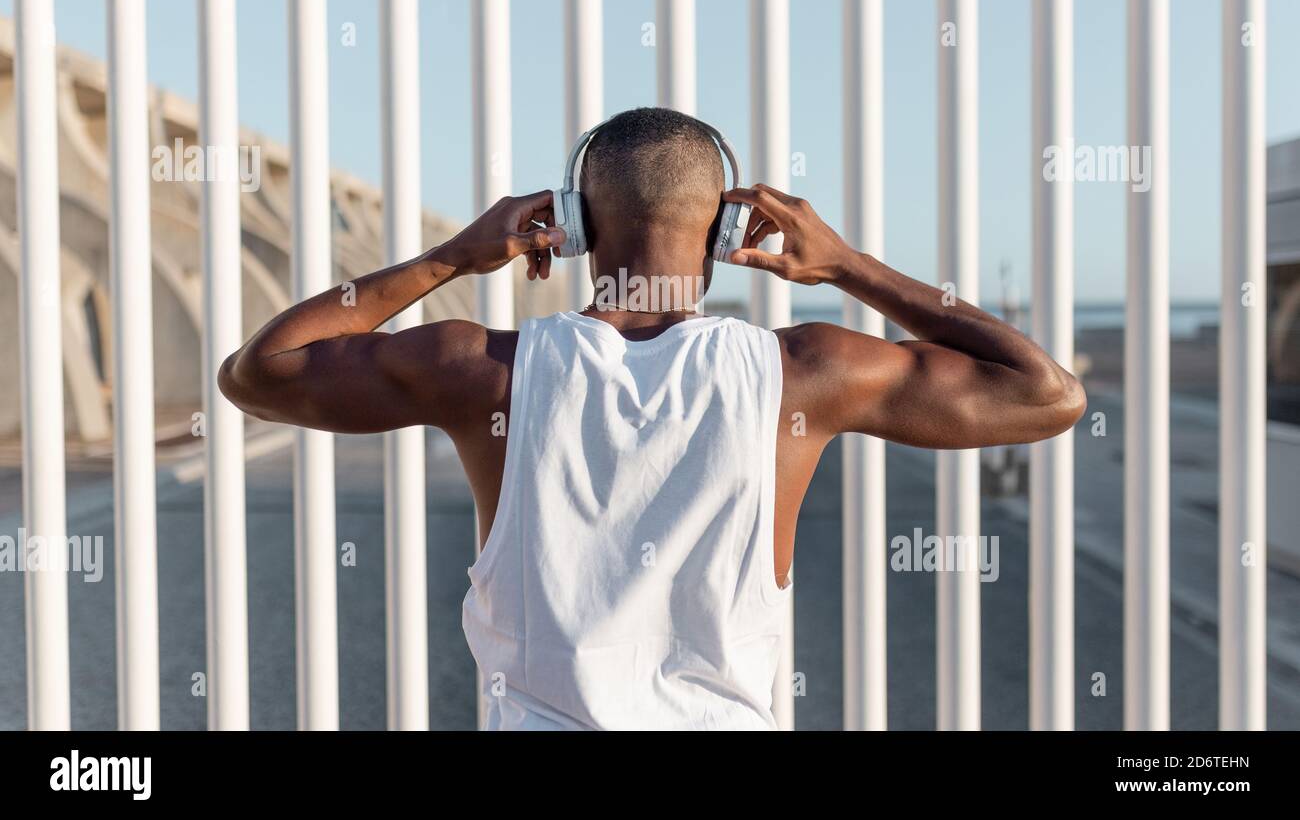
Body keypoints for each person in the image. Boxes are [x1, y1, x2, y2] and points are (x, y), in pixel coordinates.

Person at [219, 106, 1085, 730]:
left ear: (575, 225)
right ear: (722, 235)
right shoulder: (804, 373)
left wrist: (456, 255)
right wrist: (849, 266)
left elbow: (259, 373)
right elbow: (1046, 393)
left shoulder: (482, 372)